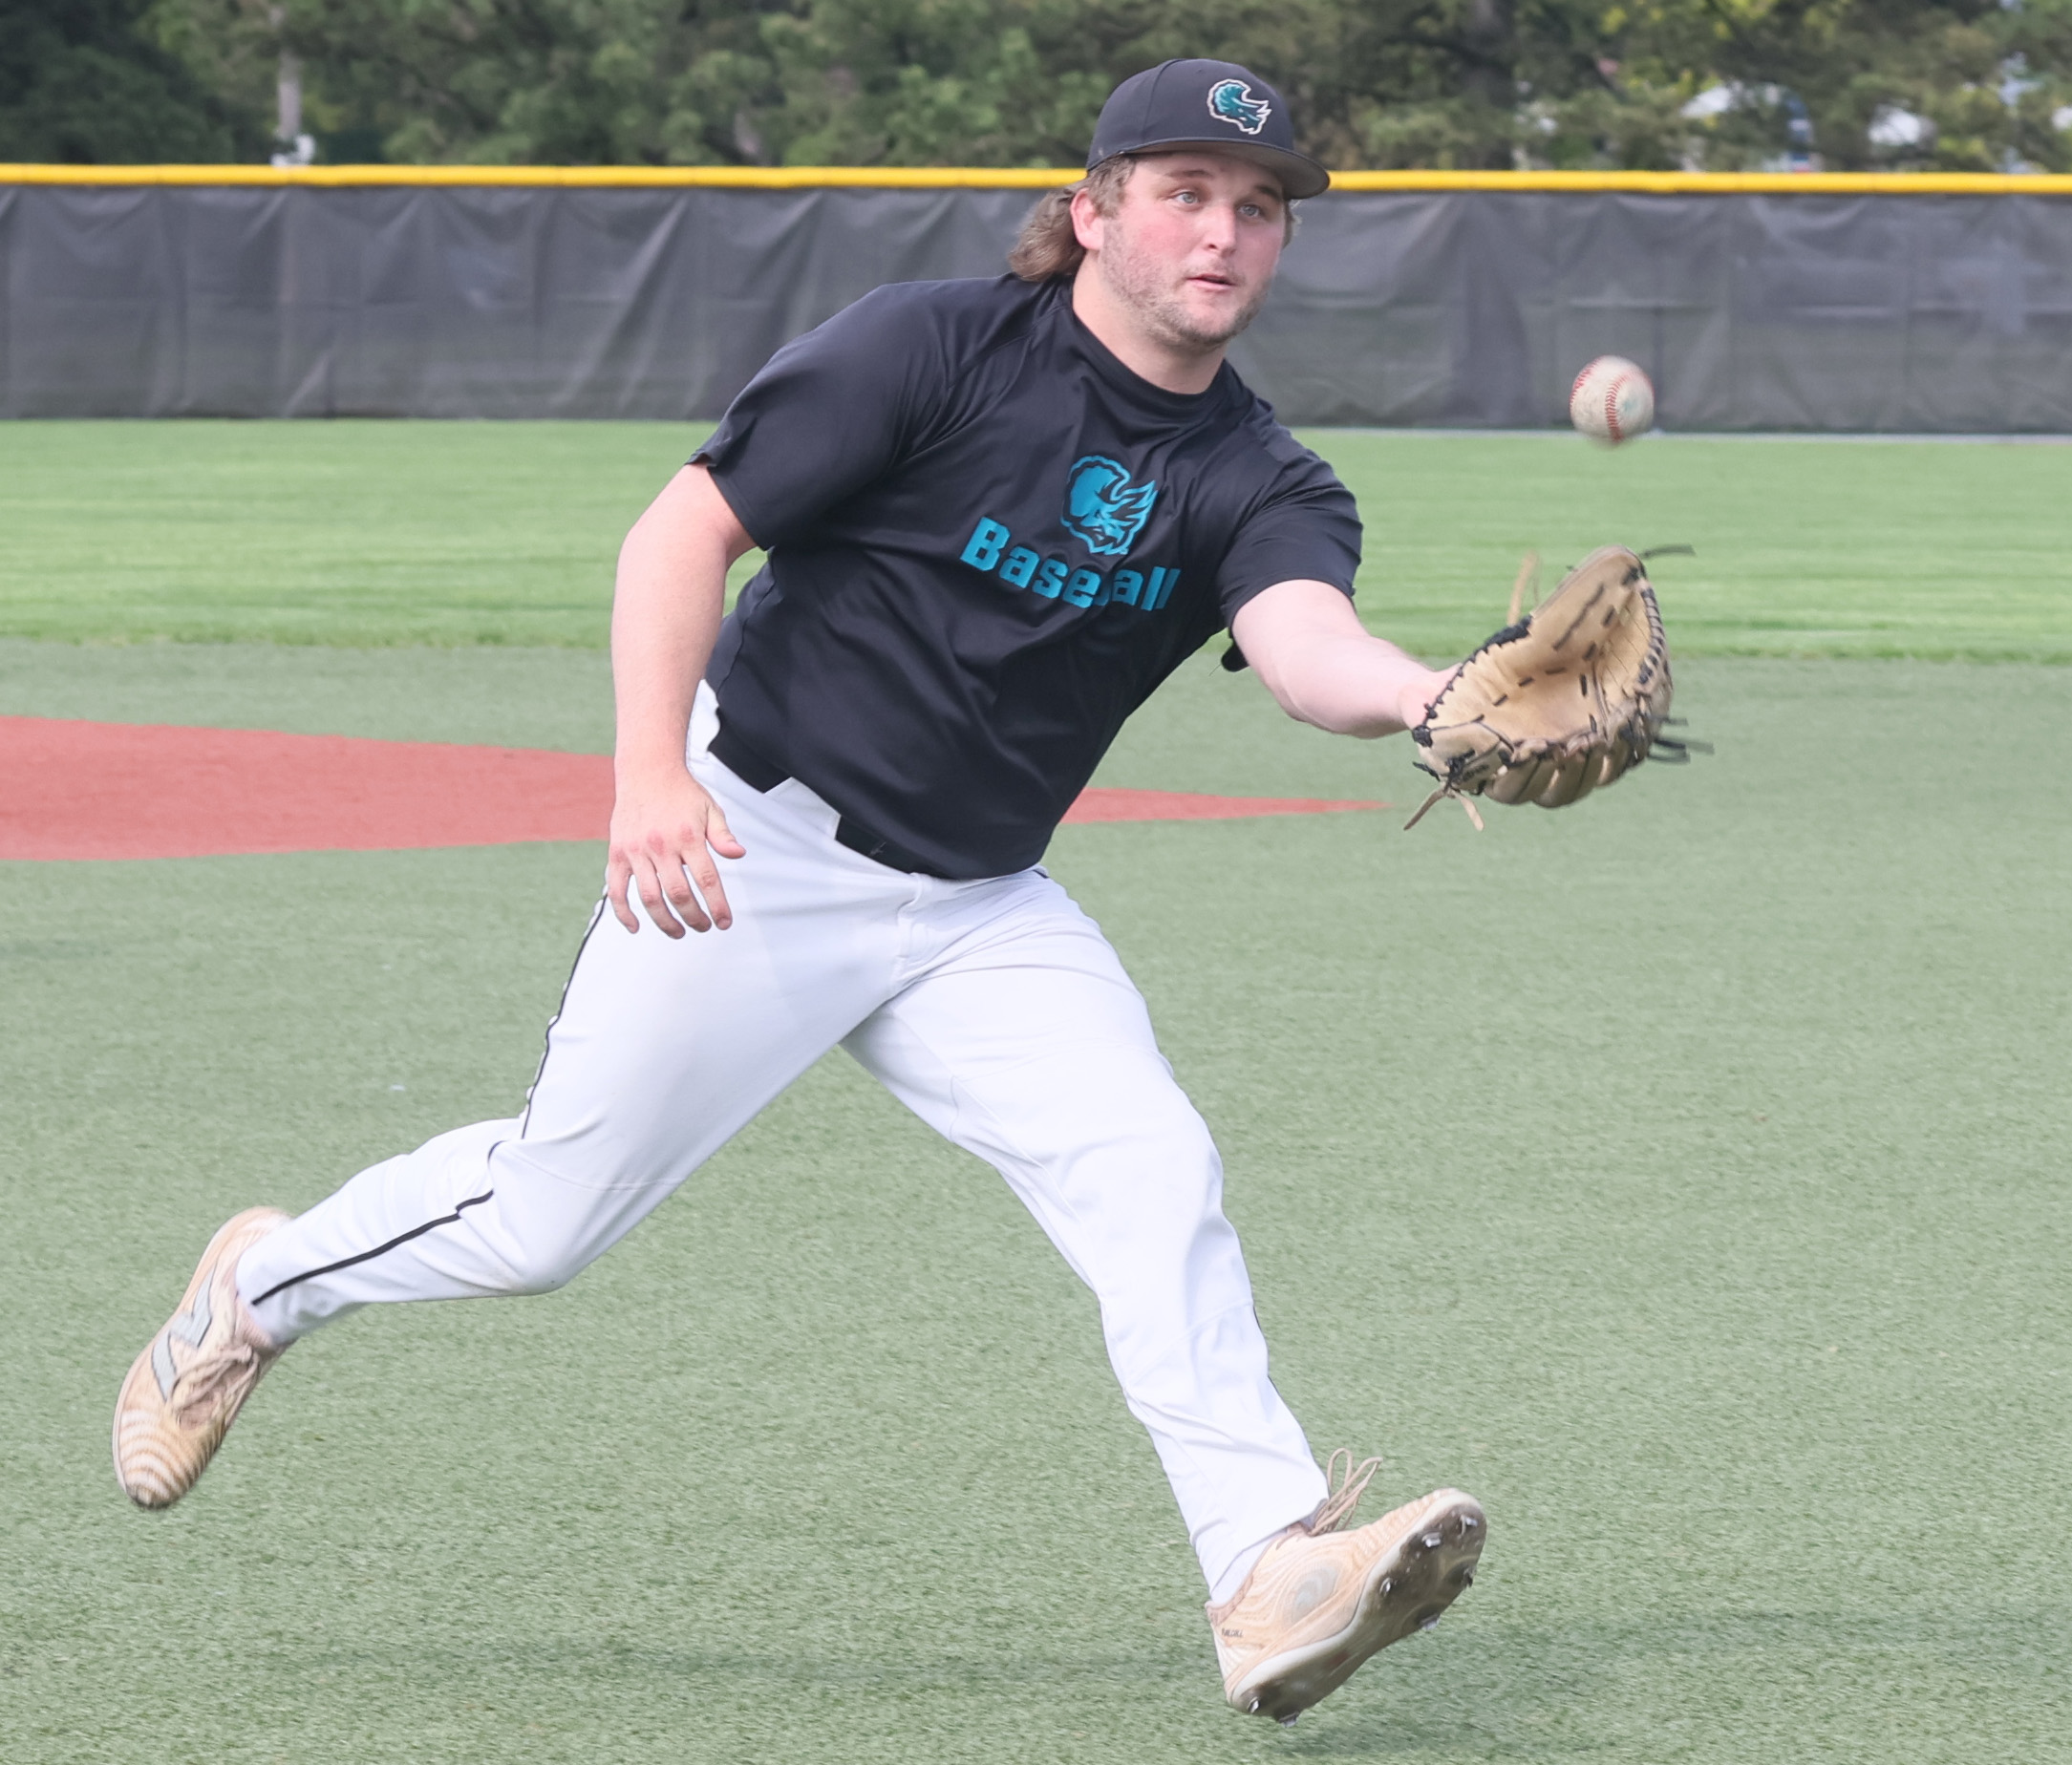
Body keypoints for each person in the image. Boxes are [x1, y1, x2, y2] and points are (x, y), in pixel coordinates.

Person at [113, 58, 1485, 1726]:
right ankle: (251, 1292)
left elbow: (1302, 649)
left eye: (1256, 206)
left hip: (978, 903)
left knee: (1149, 1167)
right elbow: (680, 536)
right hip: (751, 843)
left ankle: (1267, 1563)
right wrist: (648, 780)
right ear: (1095, 210)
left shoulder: (1262, 475)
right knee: (542, 1224)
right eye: (1184, 192)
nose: (1223, 230)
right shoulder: (931, 347)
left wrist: (1430, 701)